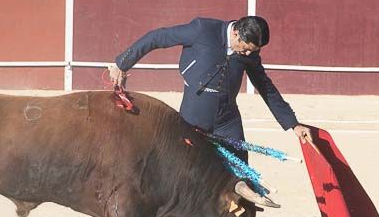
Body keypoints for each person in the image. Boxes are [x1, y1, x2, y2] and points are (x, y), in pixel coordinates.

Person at [109, 15, 314, 163]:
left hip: (227, 118)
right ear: (236, 32)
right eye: (244, 48)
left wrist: (292, 123)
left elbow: (266, 87)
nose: (246, 54)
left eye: (252, 51)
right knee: (186, 167)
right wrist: (122, 63)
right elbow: (157, 37)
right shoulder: (202, 29)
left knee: (241, 170)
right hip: (194, 112)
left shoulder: (249, 54)